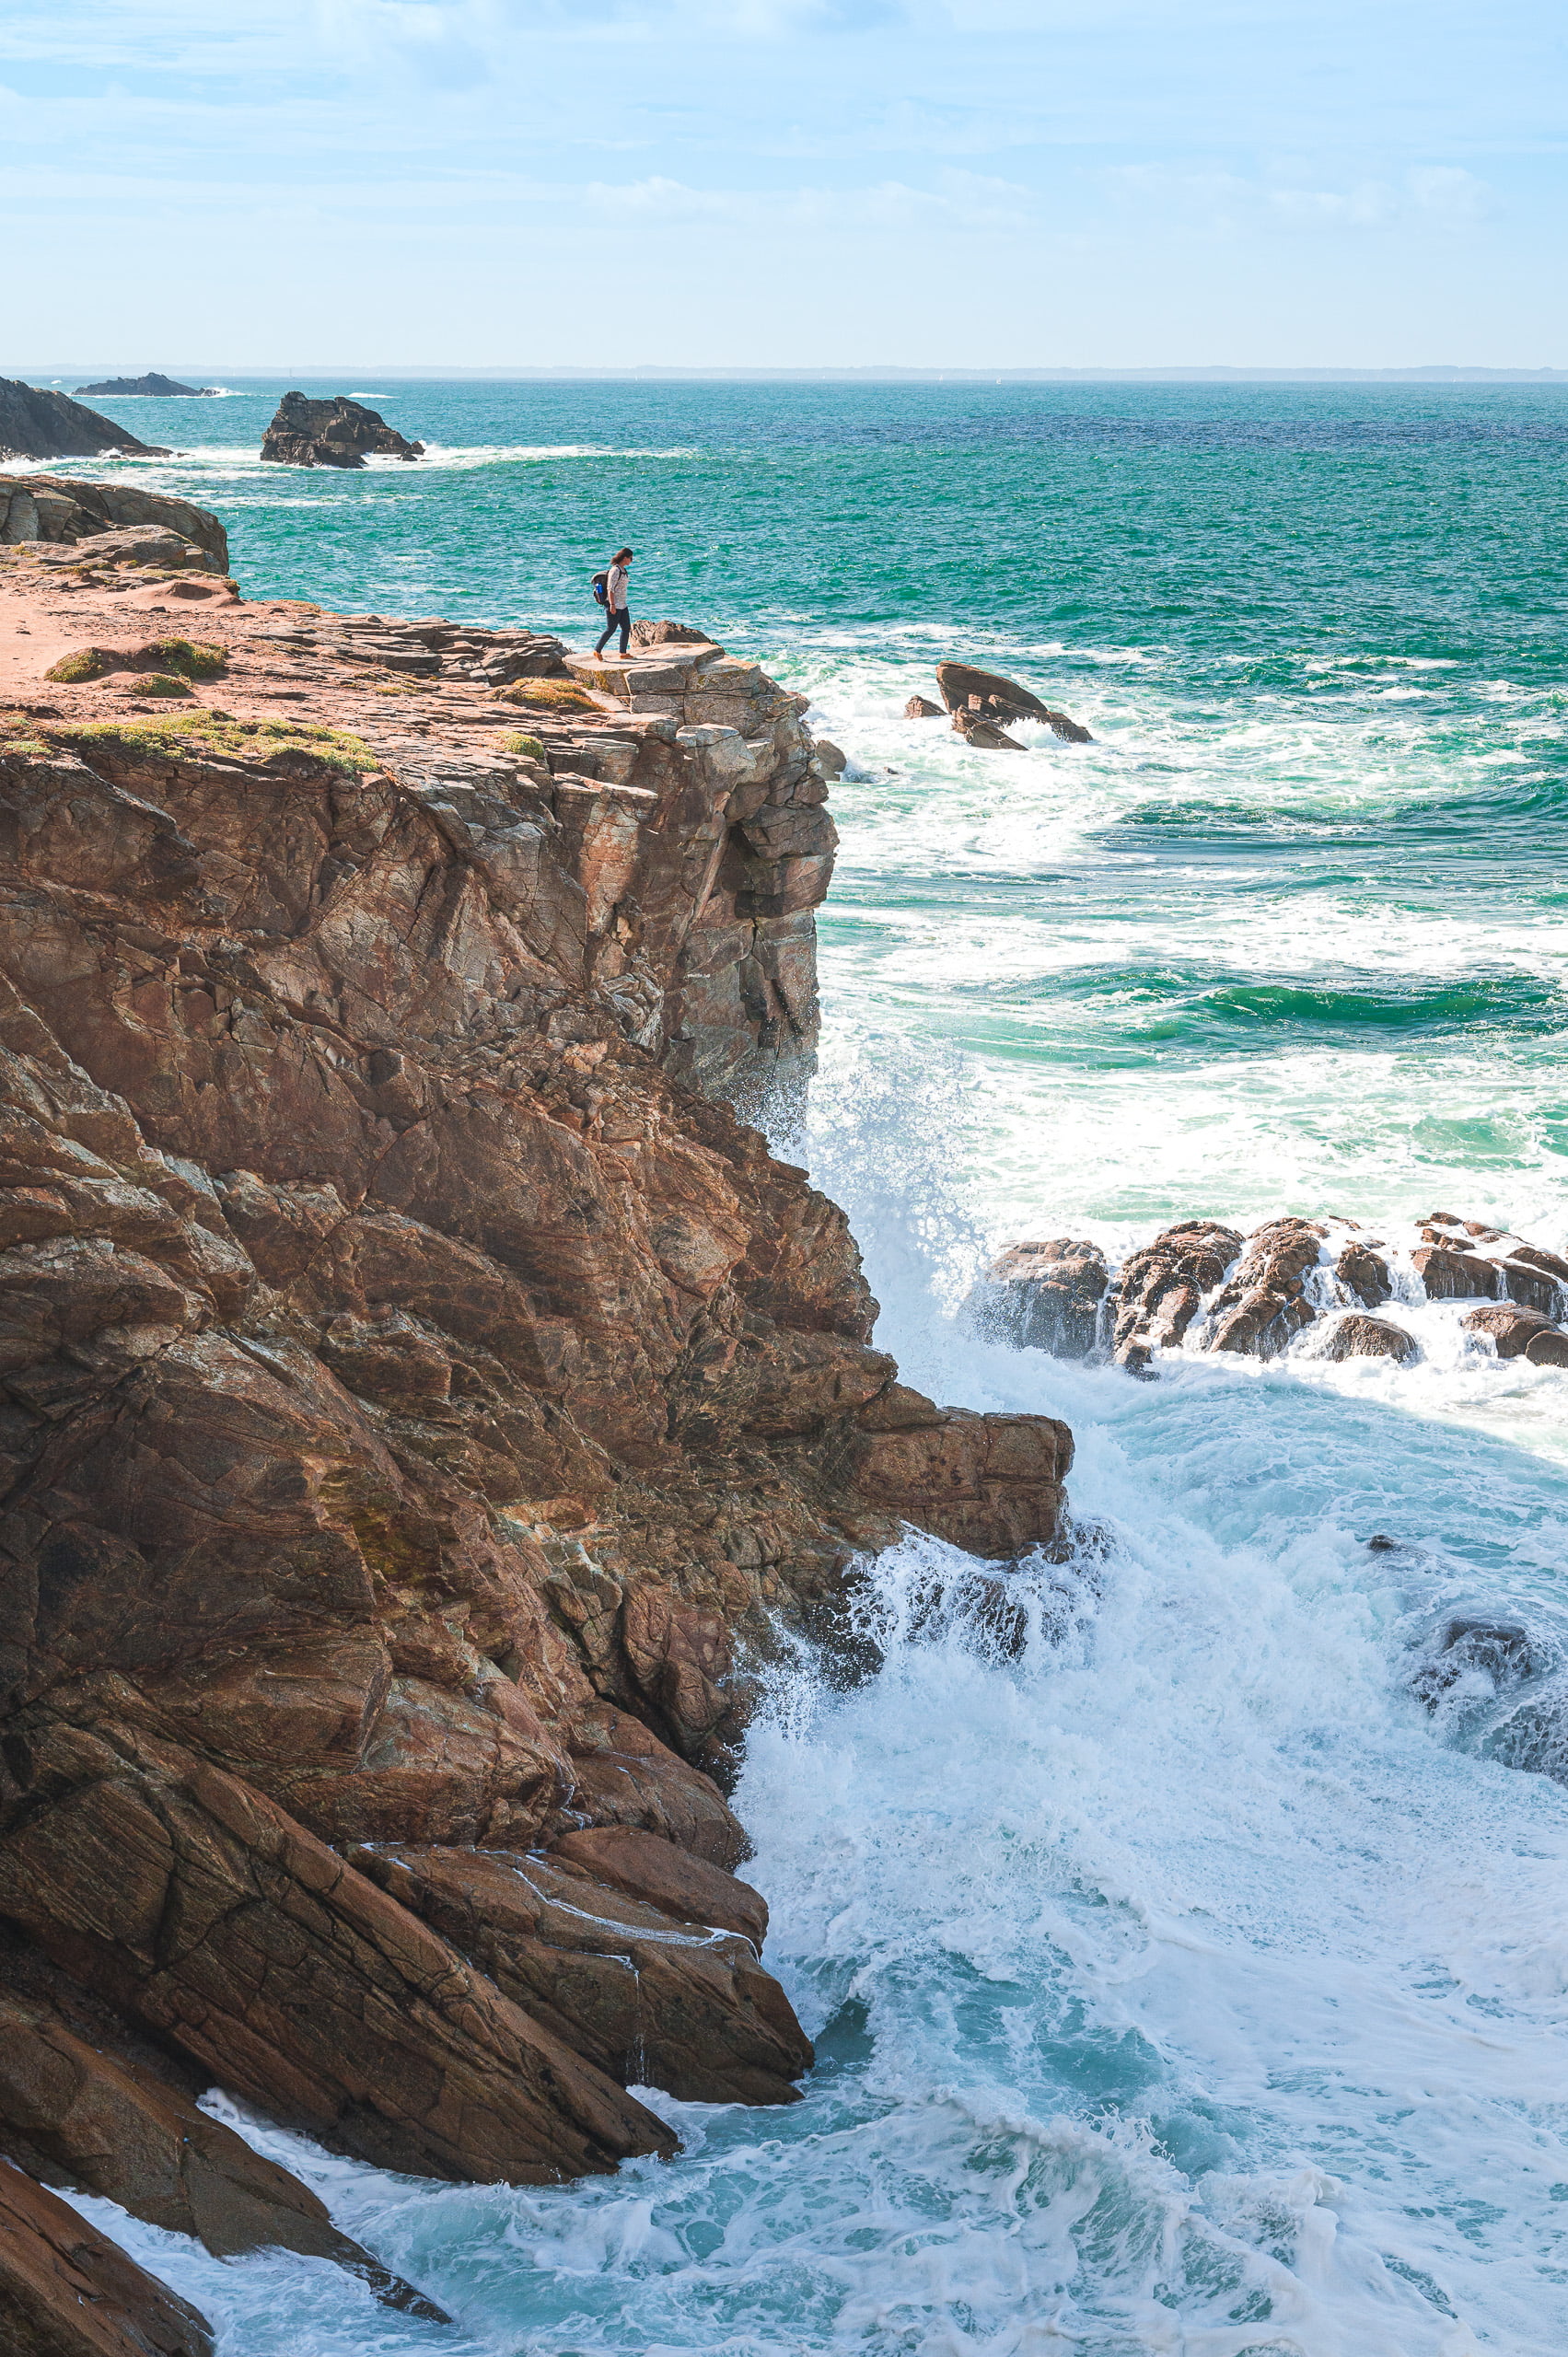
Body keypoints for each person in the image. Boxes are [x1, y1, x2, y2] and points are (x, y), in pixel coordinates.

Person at [595, 546, 634, 656]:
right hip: (613, 604)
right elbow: (610, 588)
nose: (631, 560)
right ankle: (597, 650)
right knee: (611, 629)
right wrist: (612, 605)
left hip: (623, 604)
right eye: (631, 558)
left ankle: (623, 653)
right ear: (625, 558)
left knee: (626, 629)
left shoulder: (623, 570)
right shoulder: (615, 570)